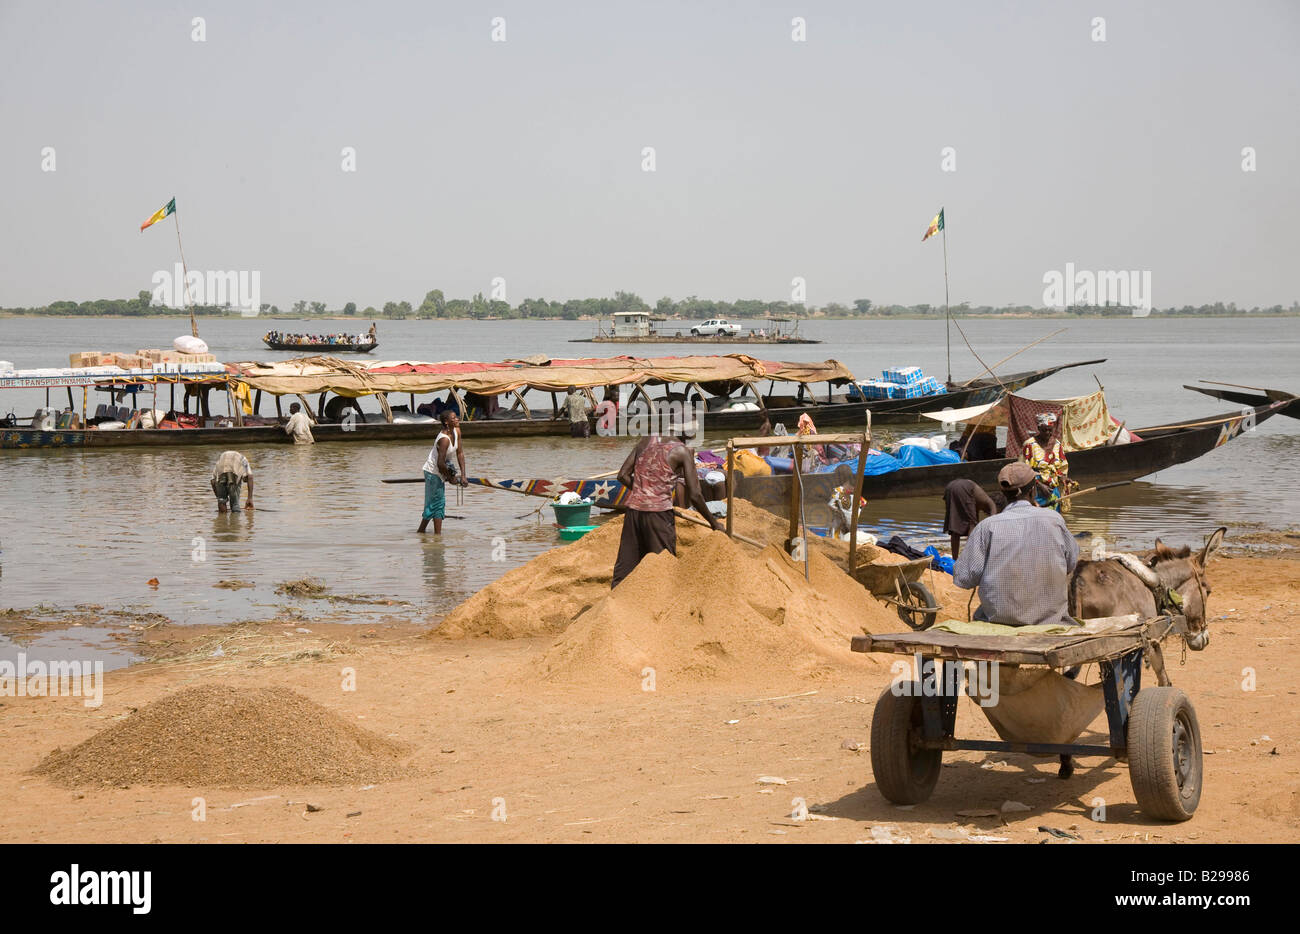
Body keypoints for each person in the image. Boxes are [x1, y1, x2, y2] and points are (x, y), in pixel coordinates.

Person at [952, 462, 1078, 628]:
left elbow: (963, 578)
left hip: (998, 621)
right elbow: (1071, 562)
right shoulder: (1054, 520)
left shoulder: (987, 527)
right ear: (1033, 491)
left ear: (1004, 494)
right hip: (1050, 622)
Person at [612, 420, 721, 587]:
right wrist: (713, 523)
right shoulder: (682, 451)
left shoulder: (646, 440)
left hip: (633, 511)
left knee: (626, 567)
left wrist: (645, 491)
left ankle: (613, 605)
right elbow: (695, 494)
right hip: (659, 516)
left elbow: (622, 475)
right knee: (664, 567)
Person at [418, 411, 467, 534]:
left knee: (434, 503)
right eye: (454, 418)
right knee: (438, 503)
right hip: (433, 472)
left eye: (456, 417)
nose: (457, 419)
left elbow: (460, 453)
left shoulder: (457, 431)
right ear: (446, 422)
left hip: (443, 469)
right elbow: (440, 463)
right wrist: (451, 478)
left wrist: (463, 475)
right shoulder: (444, 439)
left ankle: (422, 533)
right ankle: (437, 537)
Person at [1023, 412, 1072, 510]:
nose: (1047, 433)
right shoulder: (1030, 445)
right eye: (1044, 430)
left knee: (1053, 518)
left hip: (1053, 491)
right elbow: (1024, 470)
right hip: (1036, 491)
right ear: (1038, 428)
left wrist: (1063, 478)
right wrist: (1040, 485)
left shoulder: (1057, 445)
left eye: (1050, 430)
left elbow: (1062, 467)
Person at [942, 478, 998, 559]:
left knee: (954, 526)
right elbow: (994, 521)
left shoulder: (977, 501)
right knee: (972, 525)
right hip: (963, 488)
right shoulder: (990, 503)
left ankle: (955, 559)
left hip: (950, 487)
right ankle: (969, 558)